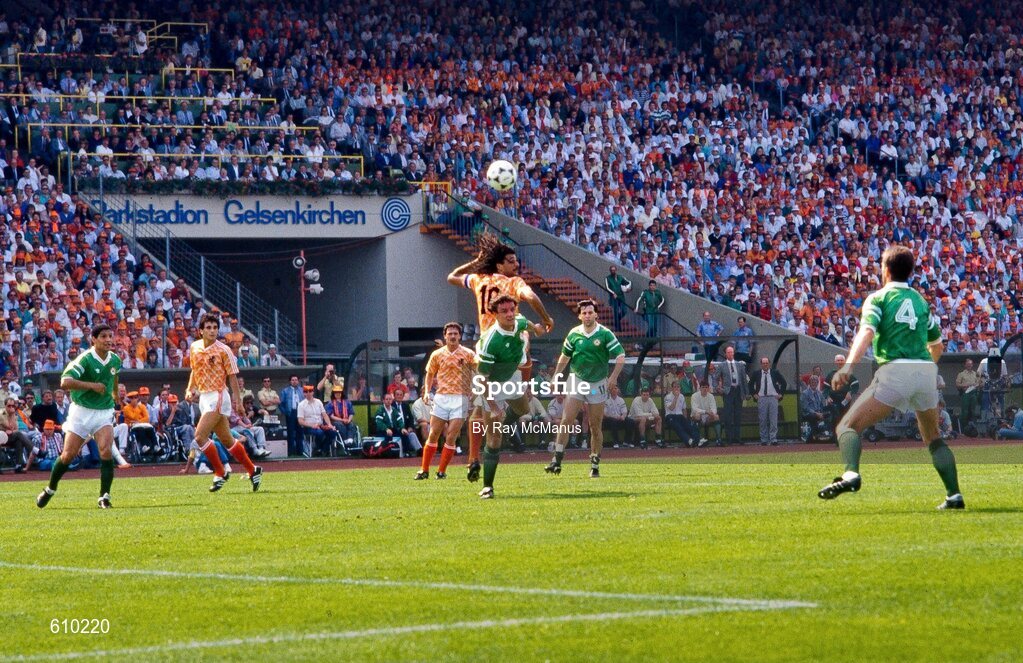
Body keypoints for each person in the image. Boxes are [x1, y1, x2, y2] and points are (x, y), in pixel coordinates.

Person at [819, 246, 963, 510]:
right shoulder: (921, 301)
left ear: (885, 269)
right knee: (933, 437)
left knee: (847, 427)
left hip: (895, 370)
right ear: (910, 271)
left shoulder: (878, 298)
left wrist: (847, 368)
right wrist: (921, 371)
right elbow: (938, 346)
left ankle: (851, 474)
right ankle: (954, 495)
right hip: (925, 370)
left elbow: (866, 334)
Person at [447, 232, 554, 480]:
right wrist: (545, 320)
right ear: (500, 264)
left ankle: (474, 458)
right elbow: (532, 297)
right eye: (511, 261)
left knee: (480, 408)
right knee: (524, 344)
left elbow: (451, 277)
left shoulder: (478, 279)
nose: (516, 265)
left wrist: (477, 261)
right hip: (506, 347)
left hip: (484, 347)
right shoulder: (513, 283)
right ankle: (504, 422)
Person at [36, 324, 121, 510]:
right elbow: (65, 382)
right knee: (68, 456)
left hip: (103, 412)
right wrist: (91, 385)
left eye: (110, 336)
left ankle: (104, 497)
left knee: (105, 450)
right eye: (104, 336)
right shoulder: (85, 359)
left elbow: (114, 378)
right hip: (81, 412)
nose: (108, 340)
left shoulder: (115, 359)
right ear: (94, 340)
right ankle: (50, 489)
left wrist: (115, 395)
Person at [473, 294, 545, 498]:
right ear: (495, 315)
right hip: (491, 384)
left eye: (512, 309)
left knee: (524, 409)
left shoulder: (519, 320)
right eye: (504, 311)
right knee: (494, 440)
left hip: (512, 376)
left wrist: (538, 328)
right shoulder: (491, 341)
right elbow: (482, 379)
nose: (509, 314)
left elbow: (528, 324)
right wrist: (494, 407)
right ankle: (488, 487)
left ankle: (505, 425)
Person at [545, 299, 625, 477]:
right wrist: (556, 376)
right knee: (566, 420)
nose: (587, 315)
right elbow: (565, 357)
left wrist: (613, 378)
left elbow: (620, 356)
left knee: (595, 425)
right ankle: (556, 459)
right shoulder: (574, 334)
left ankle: (595, 463)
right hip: (577, 381)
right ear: (580, 315)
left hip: (597, 385)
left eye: (590, 312)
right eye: (584, 313)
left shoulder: (605, 334)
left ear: (596, 314)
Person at [186, 314, 262, 492]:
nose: (212, 331)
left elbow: (233, 377)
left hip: (218, 395)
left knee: (199, 437)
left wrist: (239, 402)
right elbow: (194, 371)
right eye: (209, 327)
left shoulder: (224, 350)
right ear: (201, 330)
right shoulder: (195, 347)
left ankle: (220, 471)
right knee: (227, 439)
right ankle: (253, 470)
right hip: (204, 397)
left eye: (215, 327)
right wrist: (190, 389)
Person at [416, 322, 475, 480]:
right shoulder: (437, 354)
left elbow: (480, 370)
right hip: (442, 397)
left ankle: (441, 471)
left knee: (451, 435)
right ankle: (424, 470)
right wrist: (427, 391)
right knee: (434, 433)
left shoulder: (468, 354)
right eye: (450, 334)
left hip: (461, 398)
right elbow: (429, 374)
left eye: (455, 334)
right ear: (445, 336)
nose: (453, 336)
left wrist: (477, 389)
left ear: (460, 336)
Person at [749, 357, 787, 446]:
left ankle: (773, 439)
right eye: (763, 363)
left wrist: (781, 394)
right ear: (761, 364)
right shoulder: (756, 373)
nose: (765, 364)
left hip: (773, 398)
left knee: (773, 419)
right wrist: (754, 394)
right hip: (761, 398)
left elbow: (784, 383)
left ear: (769, 364)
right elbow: (750, 384)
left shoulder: (775, 373)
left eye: (766, 363)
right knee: (763, 420)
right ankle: (764, 439)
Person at [718, 346, 749, 445]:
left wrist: (746, 393)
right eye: (728, 352)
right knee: (728, 415)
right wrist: (718, 388)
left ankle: (737, 437)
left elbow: (744, 380)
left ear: (734, 353)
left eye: (732, 352)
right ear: (725, 354)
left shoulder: (740, 365)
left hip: (738, 391)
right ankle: (729, 439)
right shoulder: (722, 365)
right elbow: (715, 378)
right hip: (728, 391)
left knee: (738, 415)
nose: (730, 354)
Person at [297, 384, 336, 456]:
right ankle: (319, 449)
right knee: (319, 433)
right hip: (308, 427)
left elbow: (324, 414)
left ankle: (323, 448)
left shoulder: (318, 402)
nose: (308, 393)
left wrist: (329, 424)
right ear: (304, 393)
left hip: (320, 425)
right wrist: (312, 425)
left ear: (313, 392)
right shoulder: (301, 405)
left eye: (310, 391)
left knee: (332, 432)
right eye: (306, 391)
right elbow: (300, 421)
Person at [824, 354, 859, 427]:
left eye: (841, 360)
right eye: (838, 360)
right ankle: (834, 437)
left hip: (845, 401)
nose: (840, 362)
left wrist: (850, 392)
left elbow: (855, 384)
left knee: (845, 420)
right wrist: (827, 397)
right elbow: (825, 387)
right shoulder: (831, 374)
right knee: (833, 421)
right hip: (833, 402)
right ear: (835, 362)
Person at [374, 392, 413, 457]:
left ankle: (406, 452)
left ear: (392, 400)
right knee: (388, 436)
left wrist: (402, 428)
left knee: (404, 434)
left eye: (390, 399)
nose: (388, 401)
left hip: (393, 429)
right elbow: (379, 422)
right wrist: (386, 429)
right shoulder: (380, 410)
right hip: (383, 431)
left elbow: (399, 420)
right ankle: (386, 452)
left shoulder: (394, 410)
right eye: (387, 399)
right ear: (383, 400)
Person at [664, 381, 698, 447]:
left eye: (678, 387)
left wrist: (685, 419)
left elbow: (684, 409)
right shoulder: (667, 397)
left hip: (680, 416)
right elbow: (671, 408)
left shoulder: (682, 396)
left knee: (689, 426)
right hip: (670, 416)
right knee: (678, 427)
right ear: (672, 388)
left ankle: (697, 440)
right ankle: (688, 440)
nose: (677, 388)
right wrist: (676, 397)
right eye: (675, 387)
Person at [278, 375, 303, 456]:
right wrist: (285, 412)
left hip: (300, 413)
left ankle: (300, 451)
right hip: (290, 413)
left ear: (298, 381)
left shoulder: (302, 390)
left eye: (296, 380)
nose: (294, 381)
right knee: (291, 432)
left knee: (300, 432)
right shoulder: (285, 391)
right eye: (293, 380)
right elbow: (281, 404)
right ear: (290, 381)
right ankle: (290, 451)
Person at [690, 381, 721, 446]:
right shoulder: (694, 396)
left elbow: (714, 408)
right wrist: (705, 412)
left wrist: (712, 413)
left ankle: (718, 440)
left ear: (708, 388)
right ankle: (699, 439)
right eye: (703, 387)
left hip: (708, 417)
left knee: (716, 416)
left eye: (706, 387)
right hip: (697, 417)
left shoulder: (711, 396)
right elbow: (694, 409)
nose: (705, 389)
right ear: (700, 388)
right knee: (697, 415)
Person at [955, 359, 981, 433]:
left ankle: (974, 429)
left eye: (971, 364)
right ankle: (964, 429)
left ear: (972, 365)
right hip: (965, 393)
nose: (969, 365)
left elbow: (978, 383)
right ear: (965, 365)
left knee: (974, 411)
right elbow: (957, 385)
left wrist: (977, 385)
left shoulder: (975, 374)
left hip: (974, 393)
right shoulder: (961, 374)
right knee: (965, 412)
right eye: (968, 364)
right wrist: (967, 385)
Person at [603, 383, 632, 448]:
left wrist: (623, 416)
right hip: (608, 420)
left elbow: (624, 411)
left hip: (619, 419)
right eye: (612, 388)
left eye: (616, 388)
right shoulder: (606, 400)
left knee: (630, 421)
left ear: (618, 390)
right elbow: (604, 414)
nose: (614, 390)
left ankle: (627, 441)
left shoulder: (621, 400)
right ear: (610, 390)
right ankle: (615, 442)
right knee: (613, 421)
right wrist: (614, 417)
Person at [604, 265, 632, 331]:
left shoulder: (620, 277)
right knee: (616, 312)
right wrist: (613, 293)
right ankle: (618, 328)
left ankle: (617, 320)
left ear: (616, 270)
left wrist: (628, 288)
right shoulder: (608, 278)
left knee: (624, 311)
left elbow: (629, 282)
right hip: (614, 298)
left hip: (621, 296)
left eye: (614, 270)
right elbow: (607, 287)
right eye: (611, 270)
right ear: (610, 271)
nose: (613, 271)